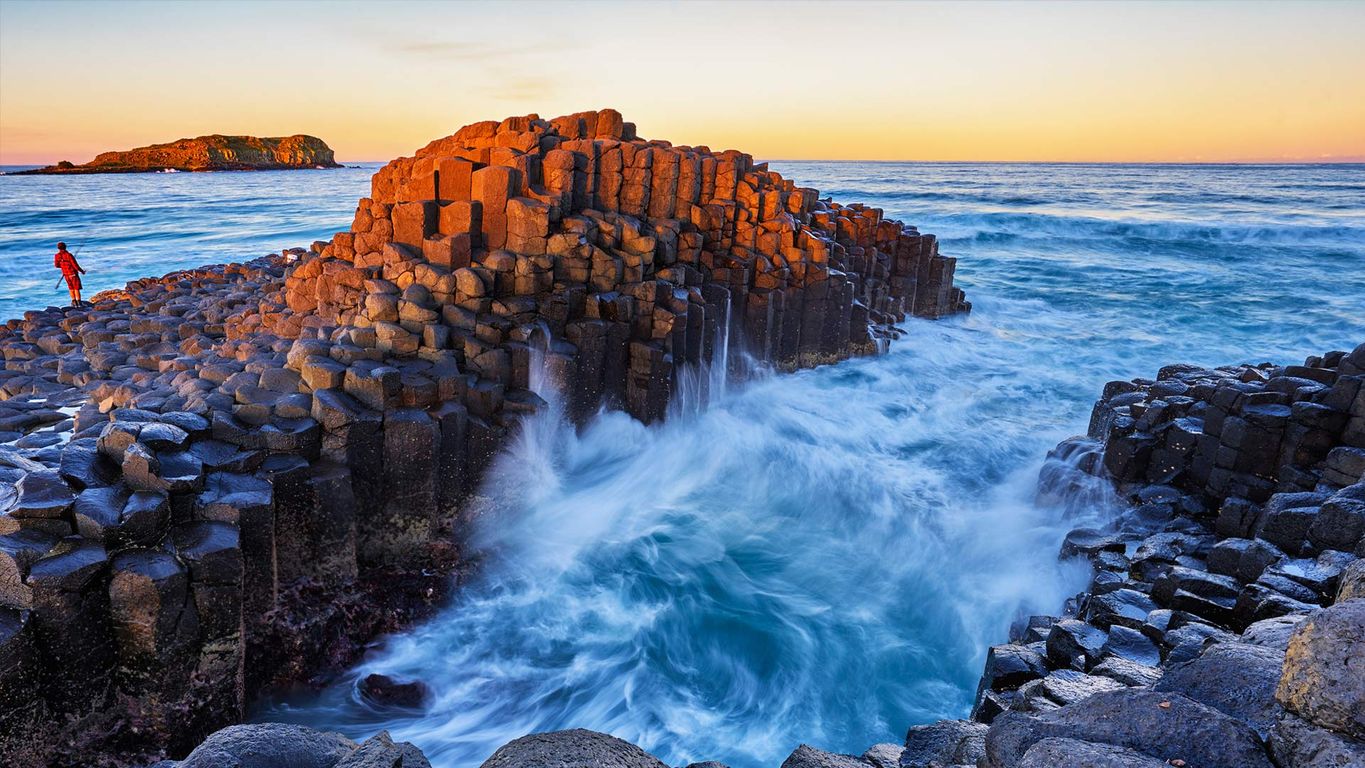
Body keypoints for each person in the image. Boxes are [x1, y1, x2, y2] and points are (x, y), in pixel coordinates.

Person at [54, 241, 86, 306]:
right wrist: (82, 271)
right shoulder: (69, 255)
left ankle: (74, 302)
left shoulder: (57, 256)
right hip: (73, 274)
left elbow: (56, 265)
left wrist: (63, 266)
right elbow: (75, 265)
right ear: (65, 247)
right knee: (76, 288)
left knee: (71, 288)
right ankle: (79, 303)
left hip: (66, 275)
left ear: (58, 248)